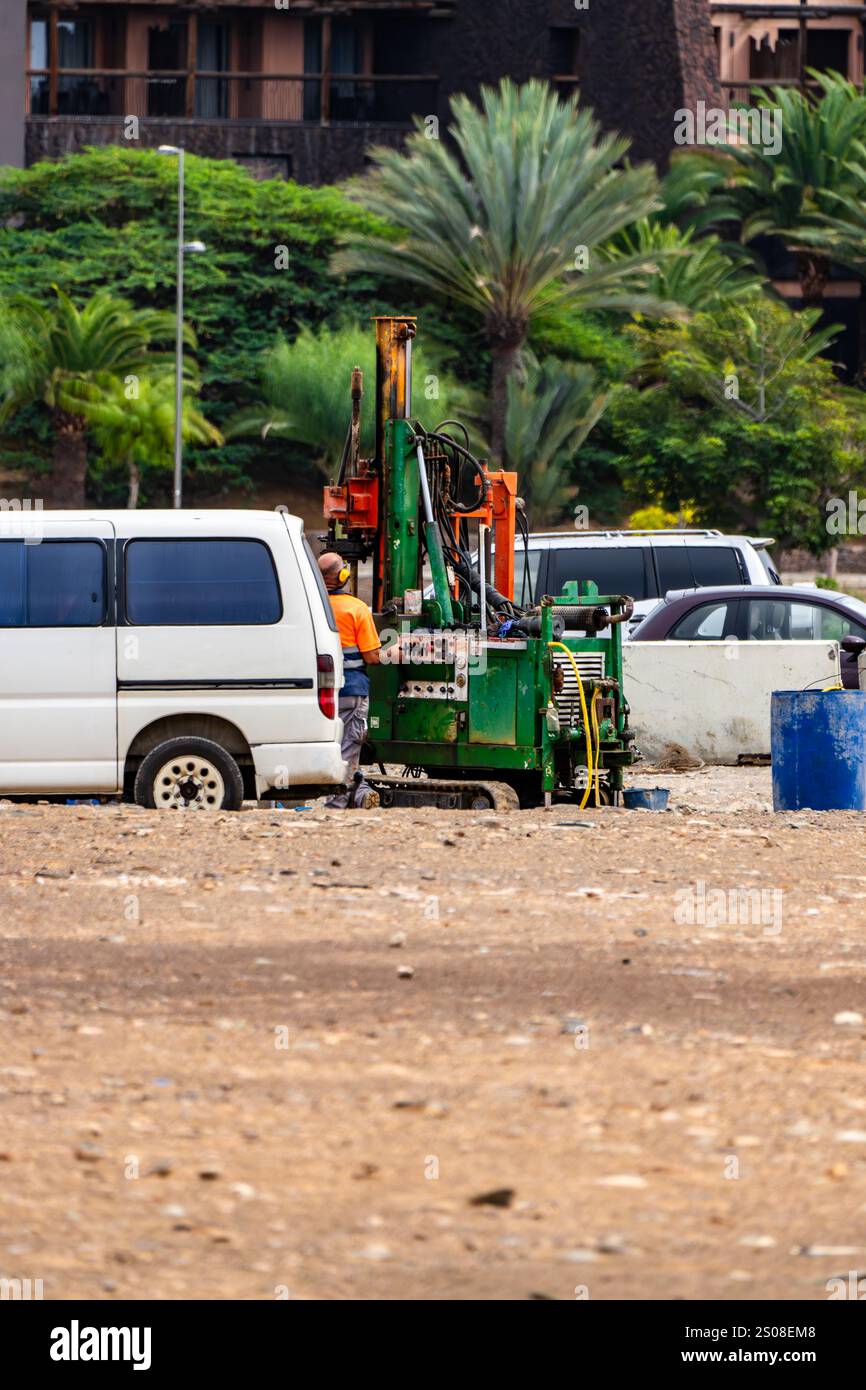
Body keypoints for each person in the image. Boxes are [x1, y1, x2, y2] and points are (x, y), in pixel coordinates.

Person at [318, 552, 381, 809]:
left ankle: (351, 790)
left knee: (331, 745)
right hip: (353, 691)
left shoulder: (313, 607)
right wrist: (393, 653)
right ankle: (338, 803)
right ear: (344, 575)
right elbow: (372, 657)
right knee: (348, 748)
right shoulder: (356, 609)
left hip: (322, 692)